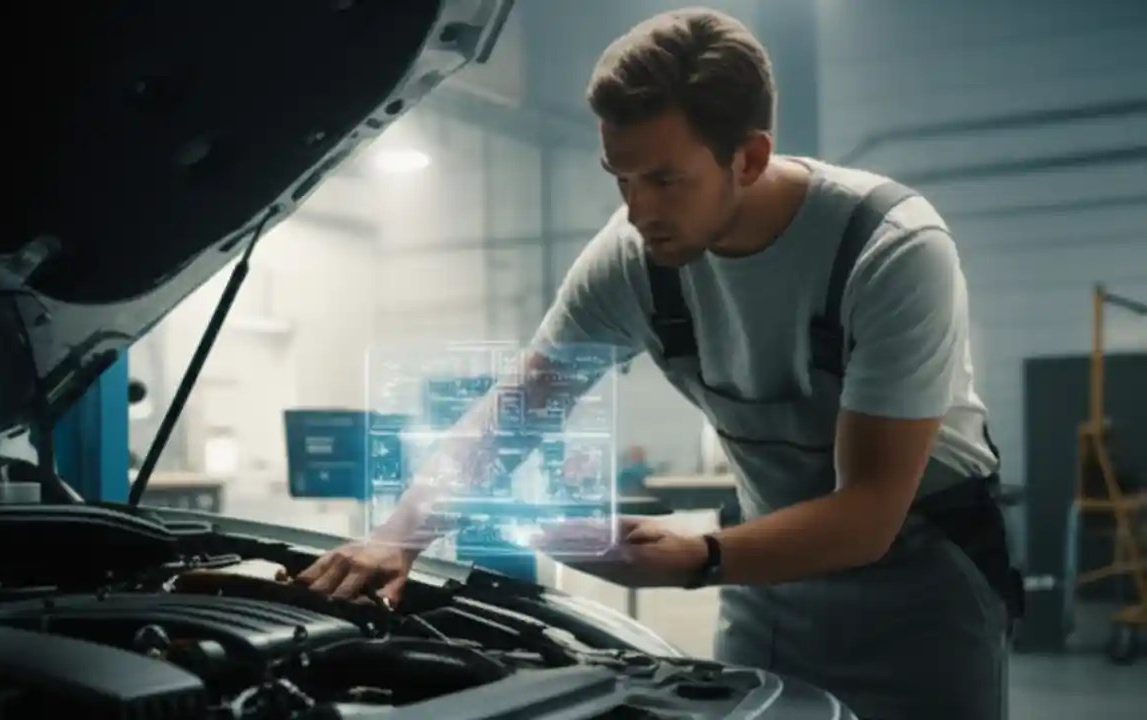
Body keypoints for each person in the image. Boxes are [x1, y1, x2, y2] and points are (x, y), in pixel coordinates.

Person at [296, 8, 1020, 719]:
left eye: (665, 180)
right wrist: (402, 535)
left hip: (921, 584)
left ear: (750, 157)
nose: (637, 211)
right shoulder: (633, 256)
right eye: (621, 178)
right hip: (763, 579)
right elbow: (515, 410)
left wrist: (693, 557)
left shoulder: (889, 249)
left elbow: (868, 514)